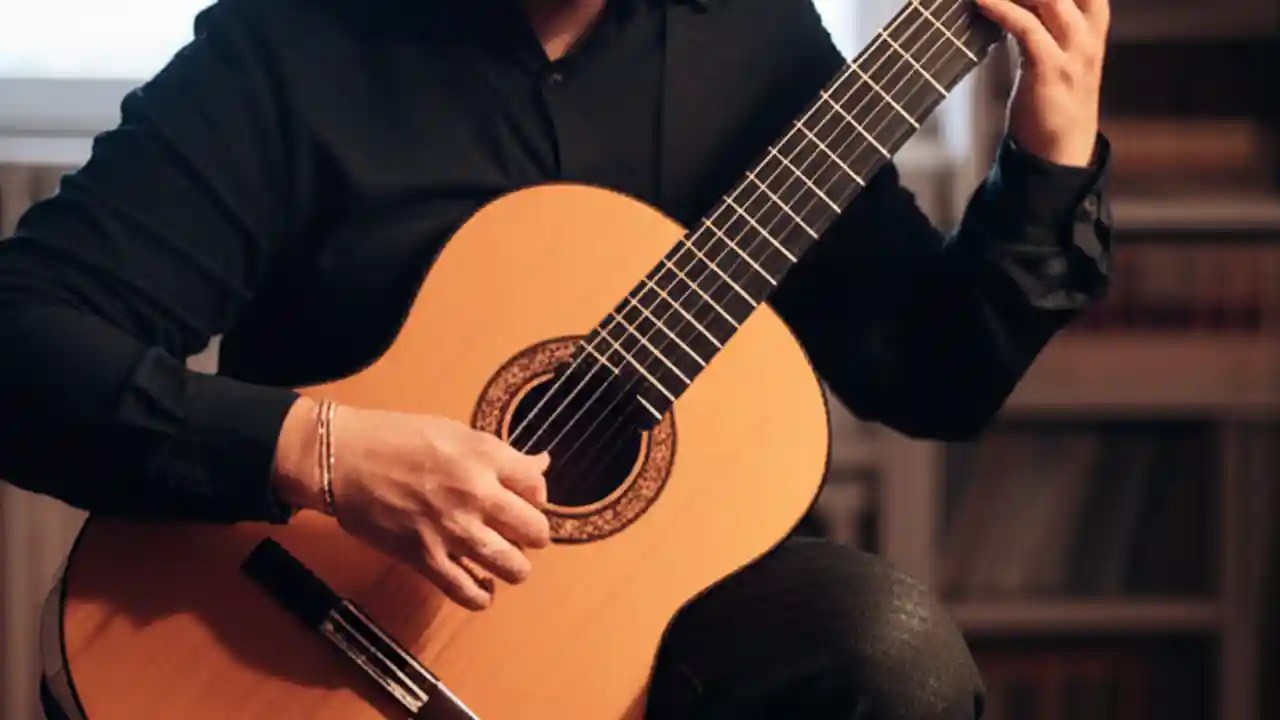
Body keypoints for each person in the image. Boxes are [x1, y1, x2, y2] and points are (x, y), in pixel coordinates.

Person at [0, 0, 1112, 717]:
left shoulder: (754, 43)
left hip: (644, 626)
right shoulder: (290, 51)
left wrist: (1045, 161)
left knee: (890, 657)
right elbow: (24, 338)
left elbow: (927, 375)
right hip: (295, 613)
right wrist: (323, 453)